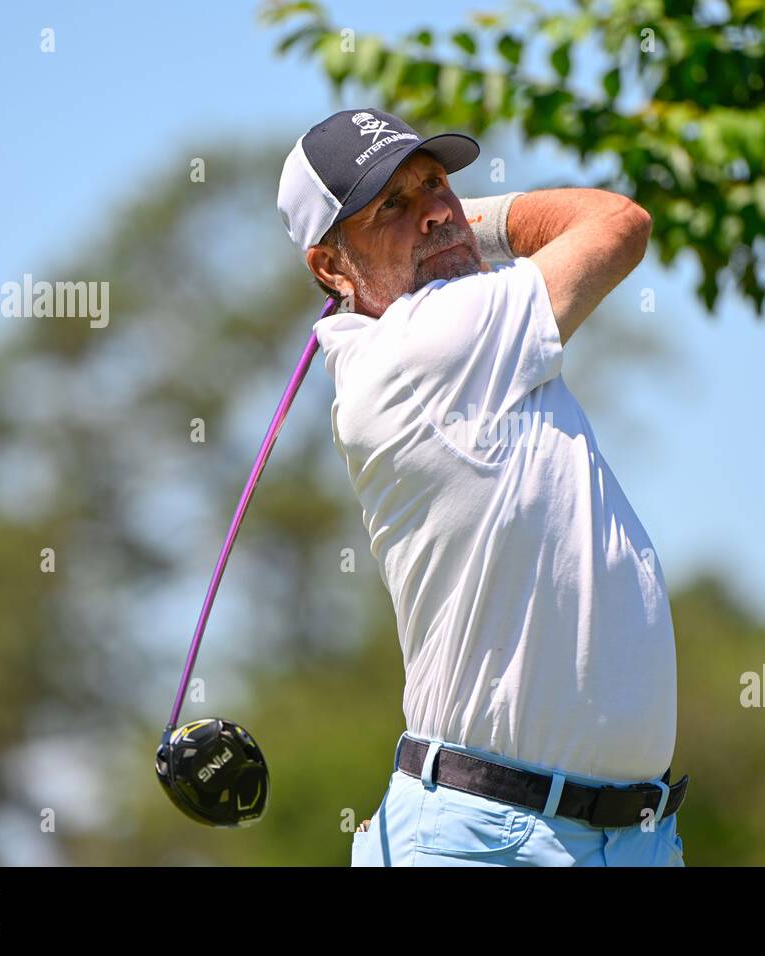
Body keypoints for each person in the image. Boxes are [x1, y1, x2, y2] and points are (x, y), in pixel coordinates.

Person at [276, 107, 687, 866]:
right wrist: (476, 225)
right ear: (331, 269)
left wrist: (441, 226)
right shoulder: (420, 342)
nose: (433, 212)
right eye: (391, 206)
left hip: (629, 838)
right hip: (490, 840)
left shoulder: (457, 331)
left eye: (437, 185)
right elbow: (616, 223)